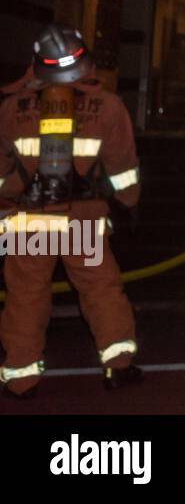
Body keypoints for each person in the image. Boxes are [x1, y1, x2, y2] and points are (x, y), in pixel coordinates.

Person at [0, 25, 142, 397]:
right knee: (100, 291)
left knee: (26, 296)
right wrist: (128, 204)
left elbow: (1, 172)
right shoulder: (108, 107)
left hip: (29, 221)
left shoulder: (11, 108)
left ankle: (20, 378)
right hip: (83, 220)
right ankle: (118, 367)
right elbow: (123, 169)